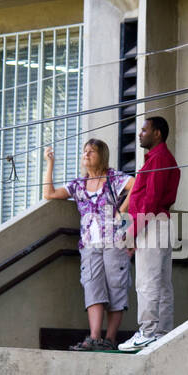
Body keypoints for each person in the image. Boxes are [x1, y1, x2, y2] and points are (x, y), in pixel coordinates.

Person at [43, 138, 134, 351]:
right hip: (90, 245)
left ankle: (110, 339)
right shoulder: (78, 185)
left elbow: (137, 185)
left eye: (91, 152)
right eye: (85, 152)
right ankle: (94, 337)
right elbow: (49, 194)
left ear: (101, 155)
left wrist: (123, 210)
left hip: (114, 242)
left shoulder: (114, 178)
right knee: (92, 286)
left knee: (116, 288)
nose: (86, 155)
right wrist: (50, 164)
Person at [117, 116, 180, 353]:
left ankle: (148, 332)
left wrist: (133, 231)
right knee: (161, 282)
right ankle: (162, 332)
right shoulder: (160, 158)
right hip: (158, 223)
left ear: (157, 134)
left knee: (147, 281)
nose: (139, 133)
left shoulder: (159, 159)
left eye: (144, 130)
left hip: (152, 223)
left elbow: (151, 200)